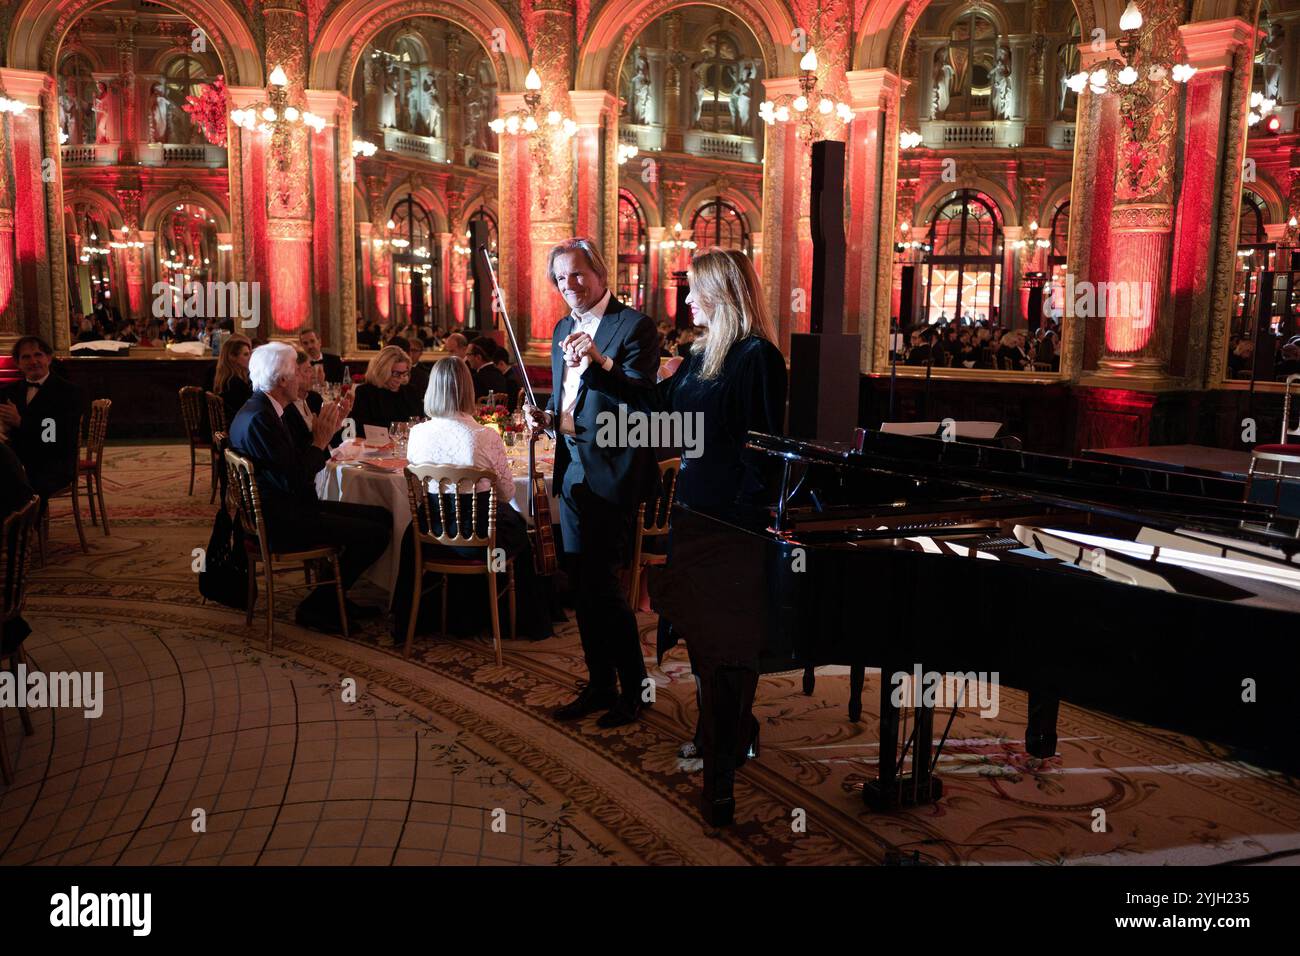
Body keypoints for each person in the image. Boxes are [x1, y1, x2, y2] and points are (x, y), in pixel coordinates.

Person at [568, 248, 786, 762]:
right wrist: (599, 370)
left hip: (732, 523)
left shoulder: (757, 357)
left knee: (729, 637)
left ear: (723, 292)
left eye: (694, 288)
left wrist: (746, 521)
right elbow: (656, 410)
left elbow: (764, 451)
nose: (686, 298)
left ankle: (727, 734)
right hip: (692, 513)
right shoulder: (698, 355)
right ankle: (727, 725)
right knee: (704, 634)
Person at [523, 237, 659, 728]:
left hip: (613, 471)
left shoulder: (635, 326)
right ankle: (601, 683)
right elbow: (569, 401)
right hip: (572, 466)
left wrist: (601, 361)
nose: (569, 285)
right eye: (561, 278)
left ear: (601, 274)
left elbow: (643, 399)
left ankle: (636, 689)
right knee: (580, 584)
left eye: (578, 274)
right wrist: (546, 417)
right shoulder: (562, 327)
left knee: (604, 586)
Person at [228, 342, 390, 633]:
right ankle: (320, 605)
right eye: (299, 374)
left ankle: (335, 596)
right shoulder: (260, 419)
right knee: (377, 532)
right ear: (282, 380)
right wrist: (318, 441)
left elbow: (293, 461)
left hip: (284, 507)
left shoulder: (265, 408)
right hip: (280, 520)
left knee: (381, 515)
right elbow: (295, 479)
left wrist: (331, 429)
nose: (307, 379)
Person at [394, 357, 553, 643]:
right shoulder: (485, 435)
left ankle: (431, 615)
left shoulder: (417, 434)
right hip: (481, 540)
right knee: (519, 533)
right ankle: (509, 618)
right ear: (468, 390)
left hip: (432, 535)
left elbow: (419, 491)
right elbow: (506, 493)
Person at [0, 336, 86, 500]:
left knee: (17, 484)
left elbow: (56, 437)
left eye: (38, 355)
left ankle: (26, 524)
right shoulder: (8, 392)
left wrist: (20, 422)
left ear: (48, 358)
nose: (33, 361)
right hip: (16, 461)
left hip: (53, 464)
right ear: (17, 363)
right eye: (26, 357)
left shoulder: (69, 393)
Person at [349, 344, 419, 433]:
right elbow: (361, 428)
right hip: (375, 444)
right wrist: (399, 427)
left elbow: (418, 422)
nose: (400, 378)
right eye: (396, 374)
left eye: (404, 373)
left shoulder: (410, 391)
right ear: (382, 371)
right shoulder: (365, 392)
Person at [282, 348, 325, 451]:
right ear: (293, 375)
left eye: (311, 369)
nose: (313, 375)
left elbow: (328, 439)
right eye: (306, 371)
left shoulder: (315, 398)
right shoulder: (285, 406)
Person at [213, 333, 253, 423]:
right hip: (236, 428)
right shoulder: (234, 383)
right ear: (233, 357)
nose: (250, 358)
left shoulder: (226, 379)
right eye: (246, 354)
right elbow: (249, 410)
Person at [466, 338, 513, 407]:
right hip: (500, 417)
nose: (467, 359)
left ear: (478, 357)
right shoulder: (500, 375)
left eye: (468, 355)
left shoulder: (476, 379)